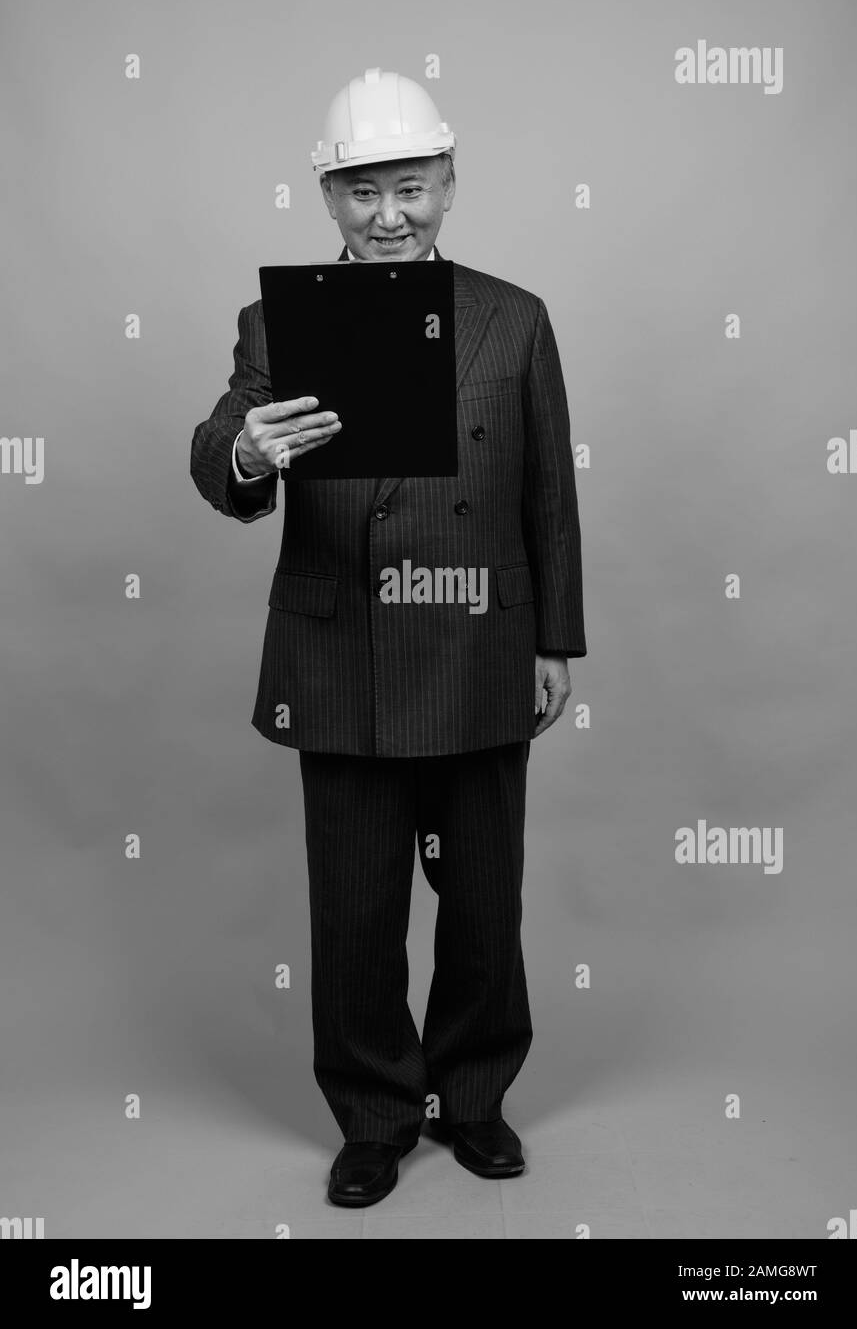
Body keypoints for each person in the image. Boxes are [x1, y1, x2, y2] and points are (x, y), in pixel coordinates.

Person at [190, 68, 586, 1207]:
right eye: (361, 194)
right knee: (356, 906)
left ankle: (473, 1100)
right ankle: (372, 1116)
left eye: (409, 188)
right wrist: (249, 453)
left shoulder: (516, 318)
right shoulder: (278, 323)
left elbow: (549, 492)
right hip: (343, 651)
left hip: (477, 637)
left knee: (482, 898)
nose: (388, 216)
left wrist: (553, 639)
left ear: (449, 182)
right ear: (329, 196)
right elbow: (223, 441)